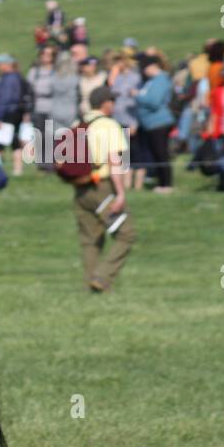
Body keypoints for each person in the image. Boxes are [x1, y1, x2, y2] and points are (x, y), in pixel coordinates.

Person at [74, 86, 136, 292]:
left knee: (90, 239)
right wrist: (120, 193)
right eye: (113, 101)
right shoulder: (108, 125)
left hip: (81, 189)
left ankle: (90, 284)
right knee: (126, 233)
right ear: (106, 103)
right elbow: (114, 159)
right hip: (102, 186)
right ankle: (101, 278)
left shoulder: (80, 124)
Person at [132, 55, 174, 192]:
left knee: (161, 154)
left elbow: (154, 101)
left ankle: (166, 184)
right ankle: (161, 183)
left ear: (152, 66)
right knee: (156, 154)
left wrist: (137, 95)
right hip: (150, 125)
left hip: (159, 124)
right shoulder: (152, 80)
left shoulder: (161, 79)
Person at [0, 53, 27, 175]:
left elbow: (5, 99)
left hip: (7, 113)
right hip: (16, 112)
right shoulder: (17, 77)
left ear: (6, 65)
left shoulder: (9, 79)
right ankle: (18, 169)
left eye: (0, 64)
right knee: (15, 141)